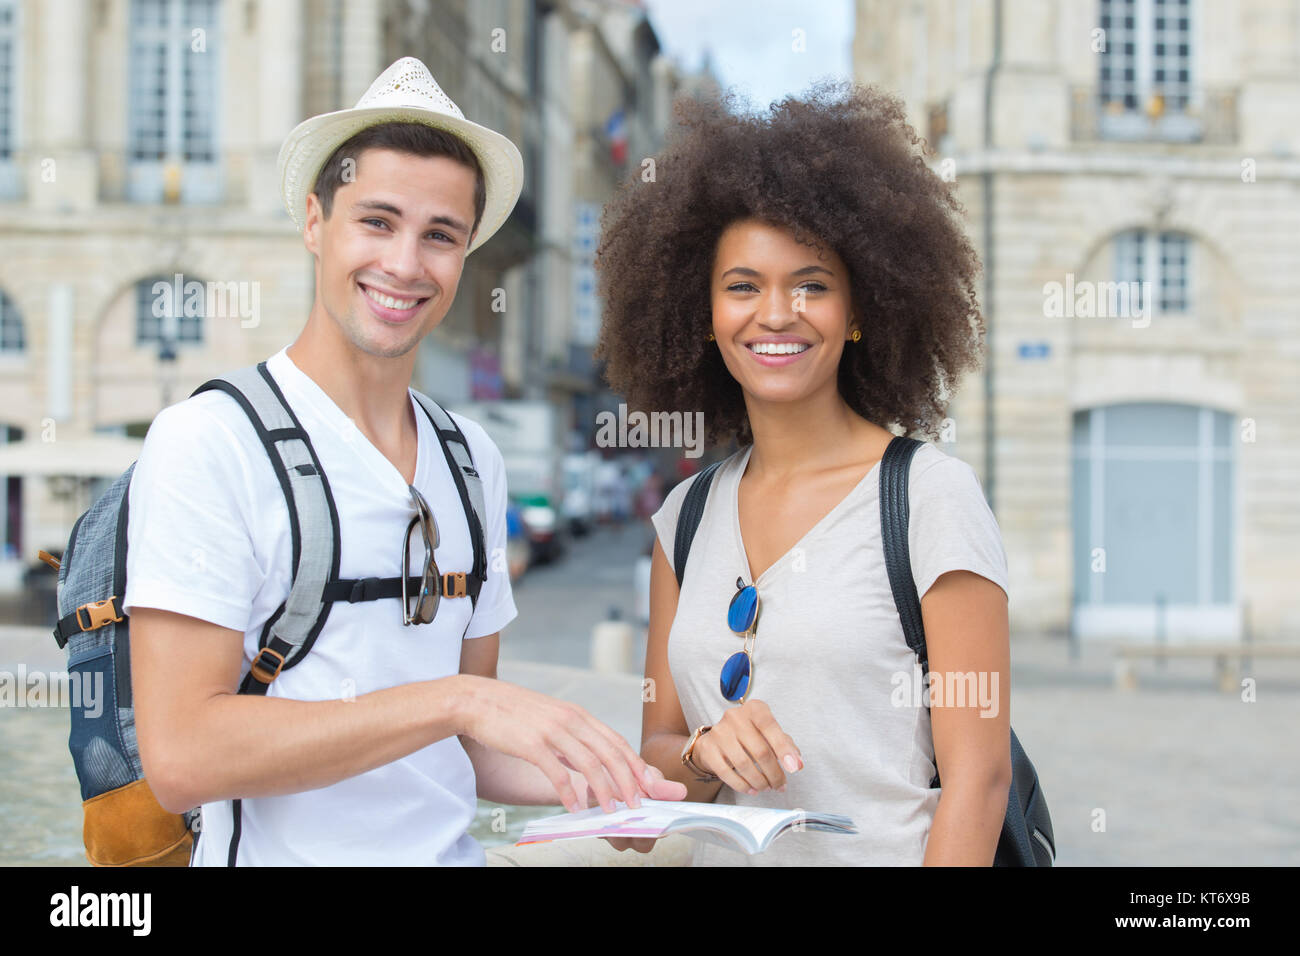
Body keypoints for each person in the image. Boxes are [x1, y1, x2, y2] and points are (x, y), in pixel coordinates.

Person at [125, 58, 682, 867]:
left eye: (440, 236)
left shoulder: (471, 458)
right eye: (376, 222)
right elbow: (182, 757)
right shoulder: (208, 441)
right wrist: (456, 701)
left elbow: (468, 750)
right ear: (315, 222)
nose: (406, 264)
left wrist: (621, 784)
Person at [594, 81, 1013, 865]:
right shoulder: (683, 519)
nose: (776, 313)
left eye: (811, 285)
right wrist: (704, 751)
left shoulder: (931, 500)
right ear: (704, 313)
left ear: (861, 310)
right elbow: (658, 750)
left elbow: (980, 781)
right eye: (742, 286)